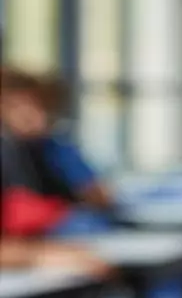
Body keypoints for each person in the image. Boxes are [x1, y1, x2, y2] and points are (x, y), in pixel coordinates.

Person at [1, 66, 116, 223]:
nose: (27, 115)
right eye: (14, 106)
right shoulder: (9, 148)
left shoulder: (53, 147)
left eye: (35, 107)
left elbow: (99, 194)